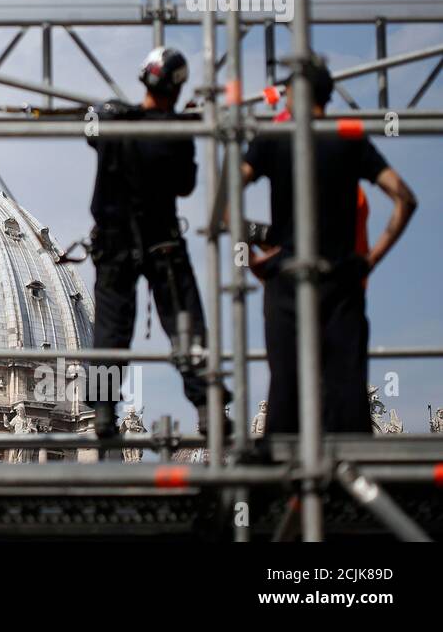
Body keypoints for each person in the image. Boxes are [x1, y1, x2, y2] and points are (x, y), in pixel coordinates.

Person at [241, 58, 416, 437]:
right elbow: (406, 199)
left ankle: (283, 492)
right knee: (348, 396)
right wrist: (369, 260)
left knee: (285, 392)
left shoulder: (273, 139)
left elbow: (225, 197)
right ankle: (349, 487)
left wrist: (252, 255)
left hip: (286, 280)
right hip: (341, 282)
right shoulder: (350, 137)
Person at [86, 46, 230, 438]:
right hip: (160, 242)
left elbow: (92, 131)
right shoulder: (174, 134)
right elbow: (185, 185)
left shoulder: (115, 123)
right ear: (178, 88)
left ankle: (102, 411)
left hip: (113, 244)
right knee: (186, 324)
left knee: (110, 330)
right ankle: (207, 408)